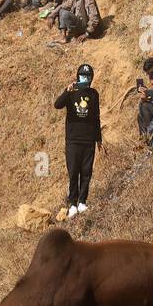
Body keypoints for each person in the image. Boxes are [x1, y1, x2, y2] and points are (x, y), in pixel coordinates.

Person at [54, 62, 102, 219]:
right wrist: (67, 91)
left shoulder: (94, 94)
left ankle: (82, 201)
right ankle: (72, 203)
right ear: (77, 76)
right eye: (82, 76)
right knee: (73, 171)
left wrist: (98, 139)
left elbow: (96, 117)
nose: (85, 79)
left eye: (88, 76)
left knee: (87, 172)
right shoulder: (71, 92)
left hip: (88, 140)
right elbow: (57, 105)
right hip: (73, 140)